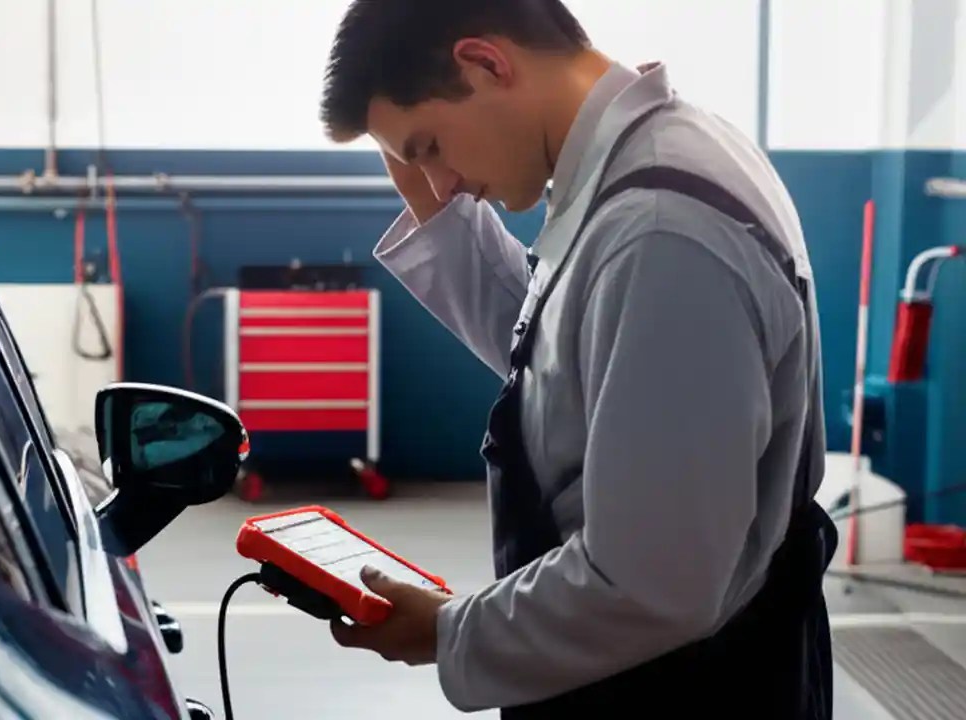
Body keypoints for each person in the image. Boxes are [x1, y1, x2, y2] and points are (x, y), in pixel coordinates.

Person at [318, 1, 838, 717]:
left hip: (686, 689)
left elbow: (652, 581)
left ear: (487, 63)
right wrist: (430, 197)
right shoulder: (645, 163)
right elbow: (563, 361)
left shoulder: (661, 234)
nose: (443, 181)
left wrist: (447, 631)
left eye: (429, 145)